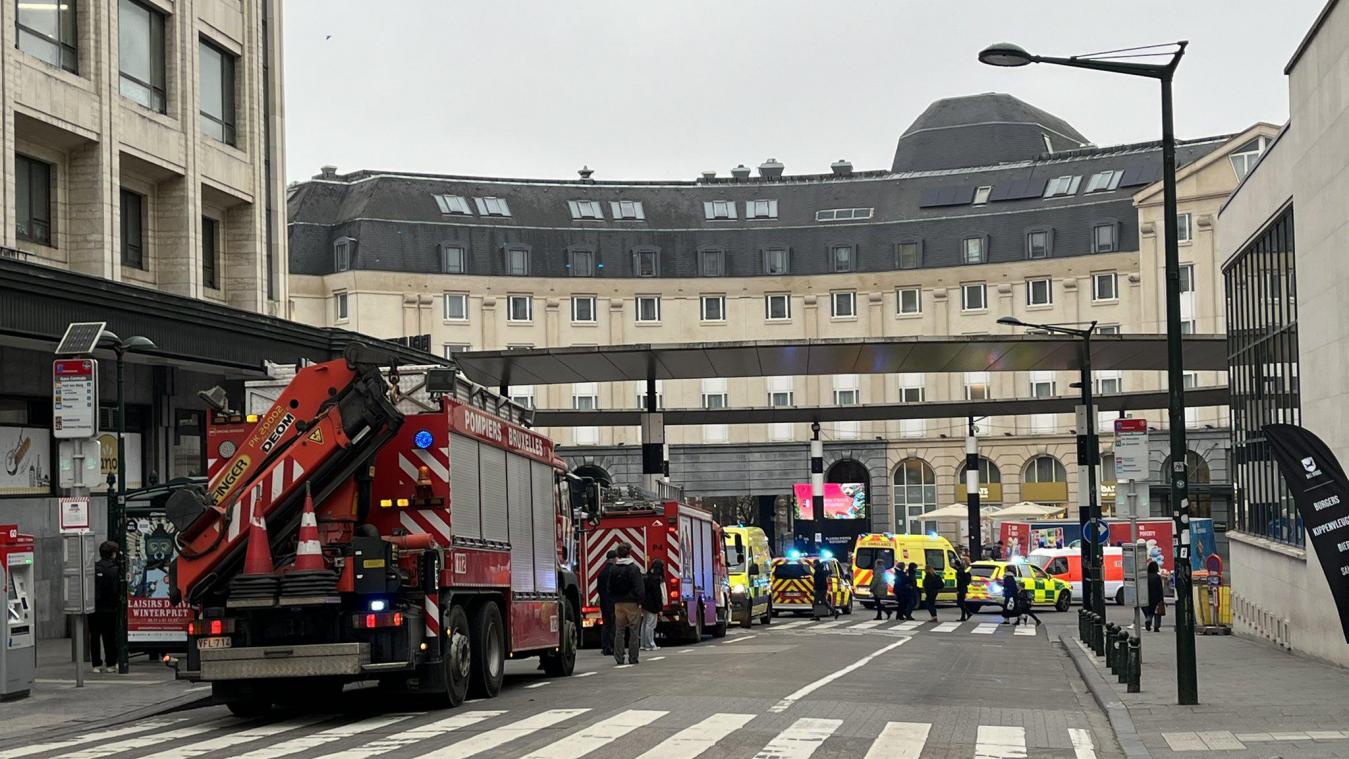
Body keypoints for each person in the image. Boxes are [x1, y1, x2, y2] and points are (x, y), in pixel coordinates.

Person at [608, 545, 644, 665]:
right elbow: (639, 588)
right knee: (634, 630)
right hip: (632, 603)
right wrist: (640, 601)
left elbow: (609, 587)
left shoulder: (613, 569)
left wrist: (614, 599)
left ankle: (619, 657)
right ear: (629, 553)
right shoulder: (634, 568)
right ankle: (633, 657)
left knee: (619, 630)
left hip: (618, 603)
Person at [91, 540, 121, 674]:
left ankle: (96, 664)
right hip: (110, 608)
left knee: (95, 636)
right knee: (110, 637)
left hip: (94, 608)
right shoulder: (116, 569)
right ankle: (111, 663)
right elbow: (116, 590)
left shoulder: (93, 567)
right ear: (113, 554)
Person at [640, 559, 664, 651]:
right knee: (651, 624)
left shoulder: (647, 576)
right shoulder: (656, 579)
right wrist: (660, 608)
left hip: (645, 604)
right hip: (652, 605)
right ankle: (650, 644)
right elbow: (657, 595)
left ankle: (643, 644)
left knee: (644, 623)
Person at [596, 550, 618, 655]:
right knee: (613, 625)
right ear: (614, 559)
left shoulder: (602, 573)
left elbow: (599, 589)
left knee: (606, 625)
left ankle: (605, 647)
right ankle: (612, 646)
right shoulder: (614, 571)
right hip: (613, 602)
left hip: (604, 602)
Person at [1144, 560, 1165, 632]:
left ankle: (1148, 620)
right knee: (1157, 612)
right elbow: (1160, 588)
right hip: (1156, 597)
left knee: (1150, 612)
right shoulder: (1157, 577)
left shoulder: (1146, 577)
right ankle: (1156, 627)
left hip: (1147, 596)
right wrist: (1161, 599)